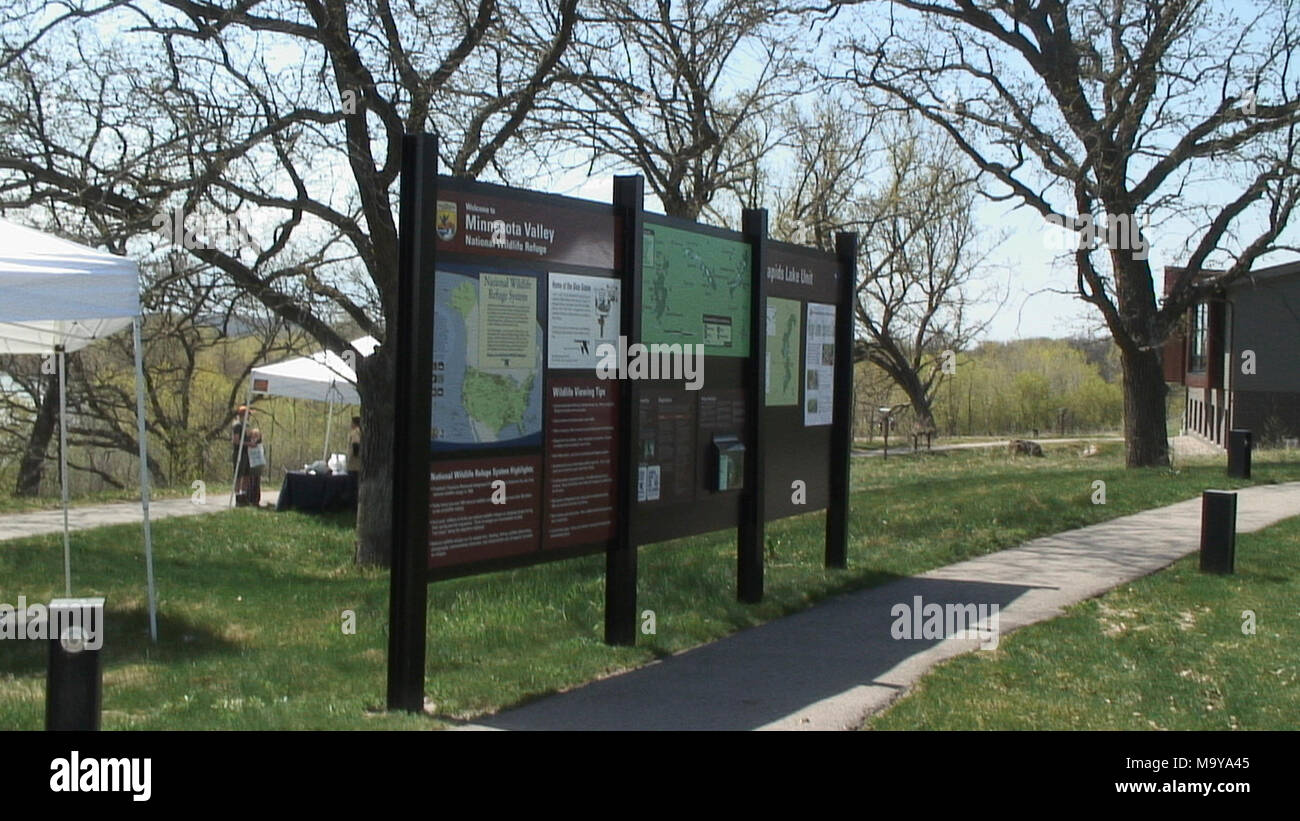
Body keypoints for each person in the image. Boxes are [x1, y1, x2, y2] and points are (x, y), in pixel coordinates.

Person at [246, 427, 265, 507]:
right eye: (253, 436)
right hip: (251, 466)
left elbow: (263, 454)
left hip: (258, 467)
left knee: (256, 483)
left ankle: (256, 500)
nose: (254, 438)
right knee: (251, 482)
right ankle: (250, 499)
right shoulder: (249, 444)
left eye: (256, 436)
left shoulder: (260, 445)